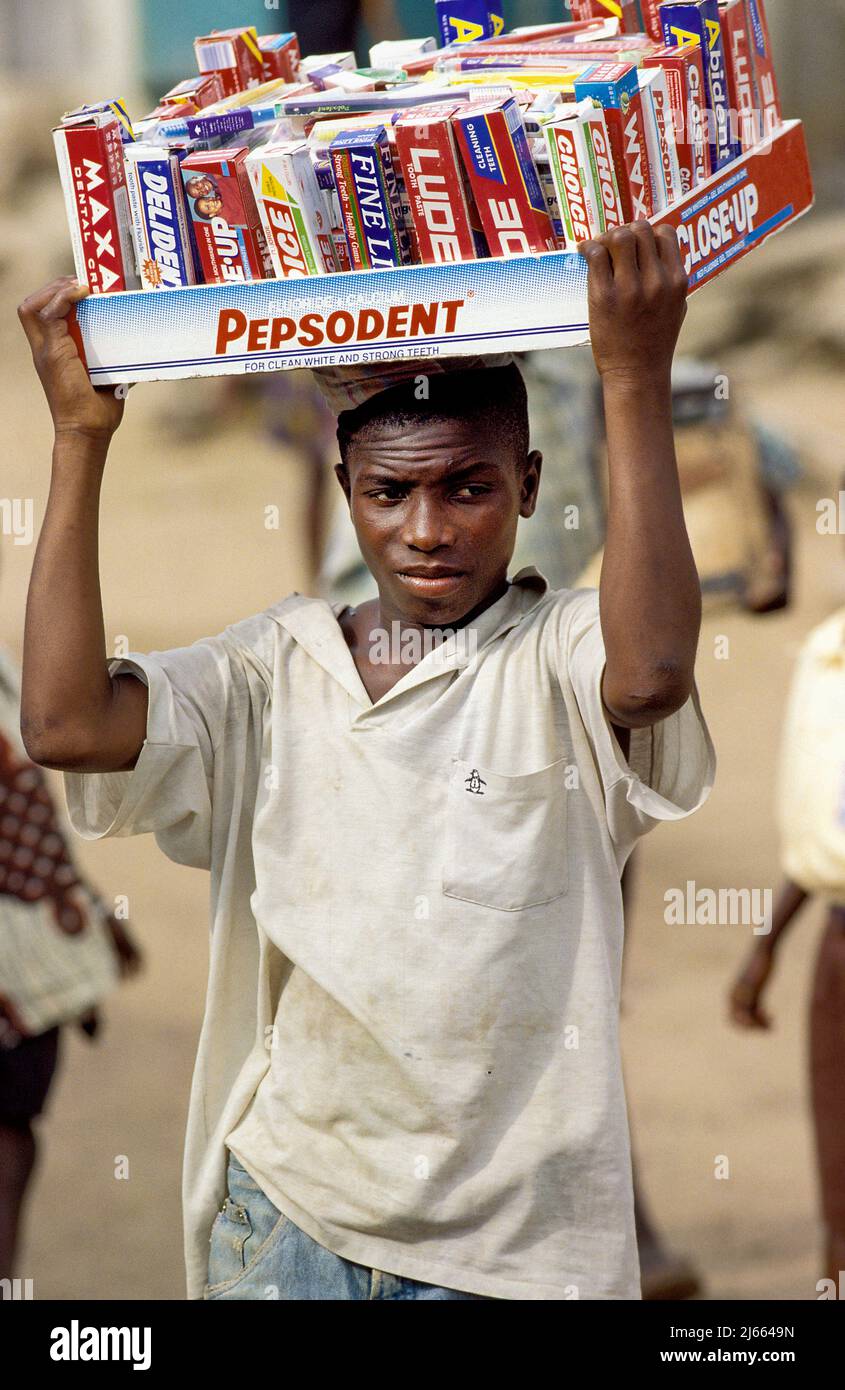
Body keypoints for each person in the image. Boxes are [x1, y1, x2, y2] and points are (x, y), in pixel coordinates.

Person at [17, 220, 715, 1301]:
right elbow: (65, 728)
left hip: (511, 1253)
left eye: (466, 488)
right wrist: (78, 438)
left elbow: (653, 673)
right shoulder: (270, 669)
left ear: (528, 485)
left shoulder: (558, 654)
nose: (425, 528)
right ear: (345, 491)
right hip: (291, 1214)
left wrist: (631, 372)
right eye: (388, 493)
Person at [0, 639, 142, 1282]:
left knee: (10, 1136)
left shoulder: (7, 674)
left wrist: (84, 912)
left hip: (23, 964)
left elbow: (30, 822)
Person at [729, 602, 845, 1290]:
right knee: (838, 1192)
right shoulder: (830, 656)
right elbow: (822, 830)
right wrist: (765, 946)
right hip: (837, 942)